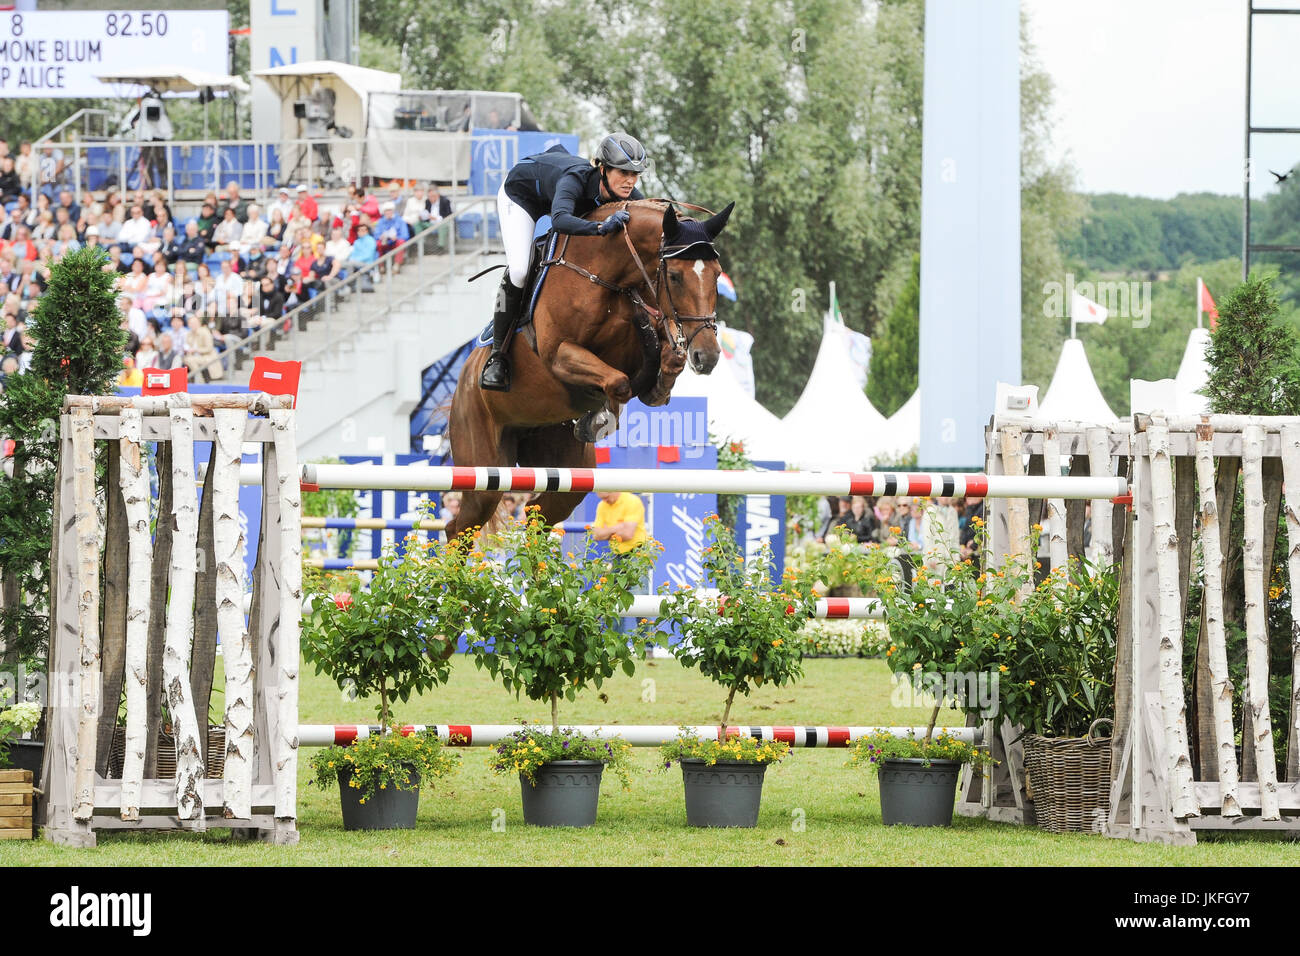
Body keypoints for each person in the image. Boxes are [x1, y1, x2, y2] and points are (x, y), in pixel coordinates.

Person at [480, 132, 650, 391]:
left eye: (634, 175)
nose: (630, 181)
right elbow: (559, 220)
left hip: (555, 196)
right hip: (521, 197)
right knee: (520, 270)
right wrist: (601, 227)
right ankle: (497, 356)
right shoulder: (575, 180)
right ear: (603, 169)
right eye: (623, 172)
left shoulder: (626, 190)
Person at [590, 490, 649, 633]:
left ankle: (647, 644)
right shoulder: (602, 505)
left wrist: (607, 531)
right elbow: (596, 535)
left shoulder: (632, 501)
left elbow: (628, 534)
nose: (606, 501)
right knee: (613, 599)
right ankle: (616, 642)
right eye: (602, 498)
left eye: (608, 496)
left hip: (637, 553)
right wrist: (618, 528)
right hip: (618, 555)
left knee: (639, 598)